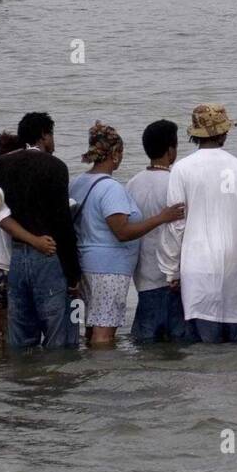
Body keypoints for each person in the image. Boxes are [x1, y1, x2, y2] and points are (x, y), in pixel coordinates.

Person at [0, 112, 80, 349]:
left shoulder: (7, 164)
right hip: (48, 254)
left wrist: (12, 162)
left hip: (18, 256)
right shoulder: (56, 167)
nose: (53, 141)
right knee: (56, 333)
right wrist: (73, 274)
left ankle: (22, 380)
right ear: (44, 135)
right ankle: (53, 380)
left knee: (20, 334)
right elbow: (63, 225)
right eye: (51, 134)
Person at [70, 122, 184, 347]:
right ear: (114, 154)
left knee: (92, 328)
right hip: (108, 270)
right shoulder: (111, 188)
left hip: (85, 264)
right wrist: (161, 217)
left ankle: (89, 371)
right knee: (104, 333)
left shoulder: (79, 182)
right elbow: (121, 231)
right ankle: (104, 374)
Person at [164, 103, 237, 343]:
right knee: (235, 343)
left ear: (194, 134)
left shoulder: (181, 169)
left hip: (198, 264)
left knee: (202, 347)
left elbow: (176, 224)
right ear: (224, 132)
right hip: (236, 263)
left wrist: (172, 269)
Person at [125, 119, 187, 343]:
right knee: (178, 344)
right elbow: (182, 230)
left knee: (146, 344)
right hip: (171, 277)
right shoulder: (175, 183)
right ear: (171, 150)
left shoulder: (132, 183)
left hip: (143, 275)